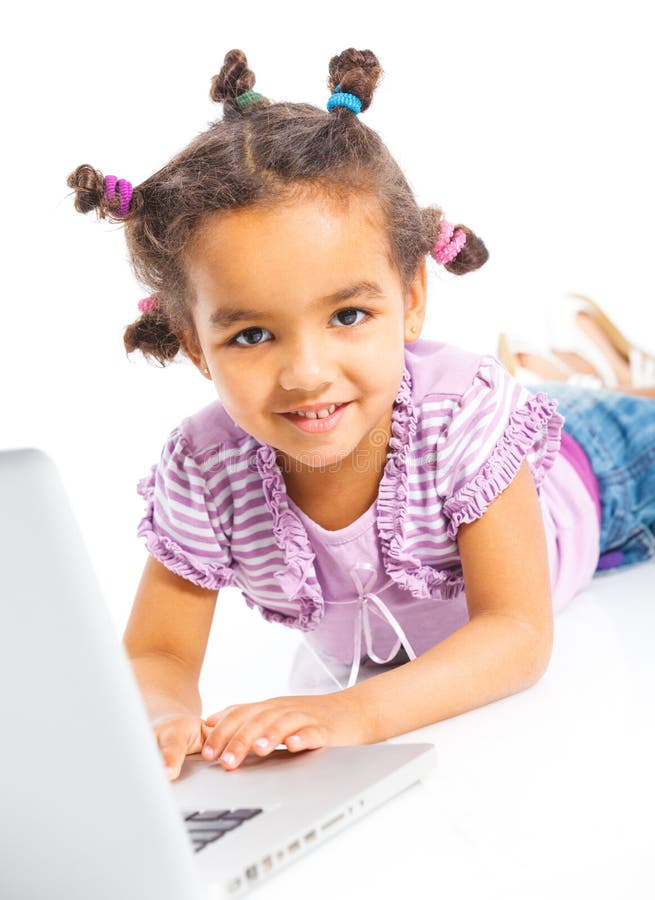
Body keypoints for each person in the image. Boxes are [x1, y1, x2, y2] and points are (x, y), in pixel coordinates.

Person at [67, 48, 655, 782]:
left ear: (411, 298)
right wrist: (159, 720)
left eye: (347, 314)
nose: (307, 374)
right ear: (193, 345)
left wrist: (349, 714)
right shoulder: (203, 471)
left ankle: (613, 384)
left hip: (602, 468)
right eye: (251, 335)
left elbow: (515, 634)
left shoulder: (461, 415)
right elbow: (158, 652)